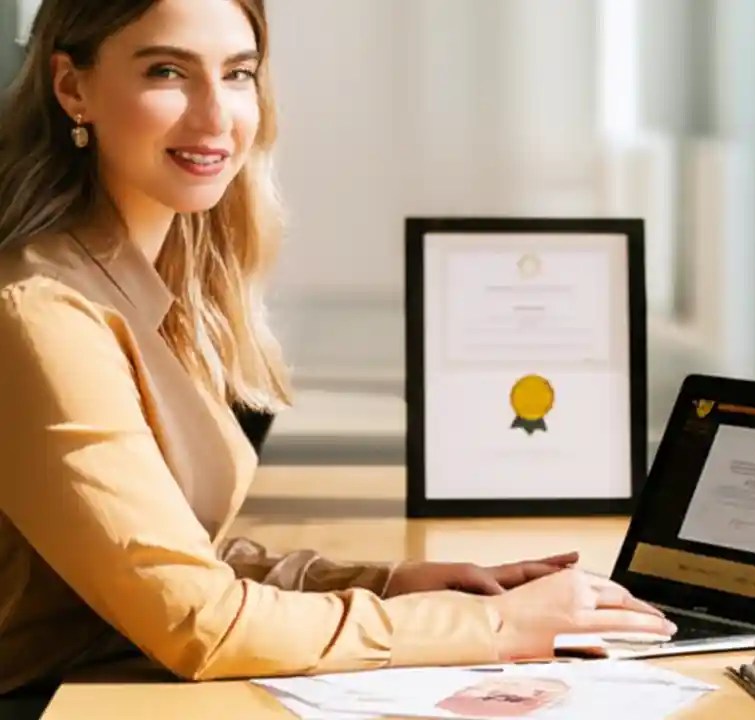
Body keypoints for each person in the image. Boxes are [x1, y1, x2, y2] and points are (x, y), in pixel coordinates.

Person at [0, 0, 675, 696]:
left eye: (238, 74)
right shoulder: (44, 313)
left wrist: (394, 584)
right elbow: (196, 621)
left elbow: (160, 558)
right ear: (71, 86)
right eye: (167, 71)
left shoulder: (158, 288)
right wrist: (497, 627)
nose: (214, 117)